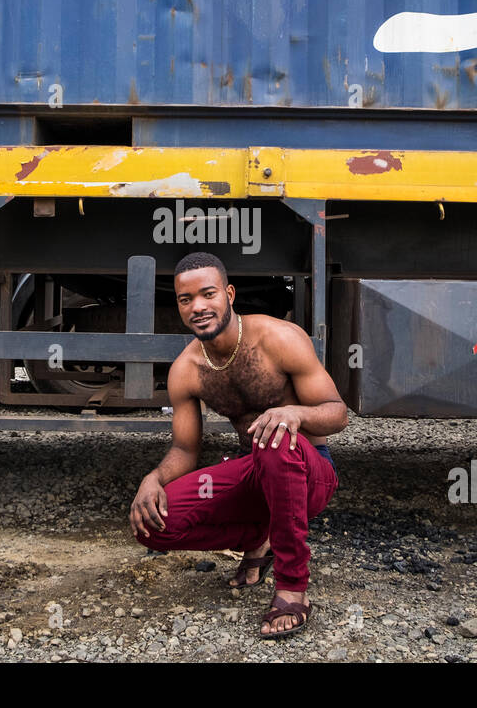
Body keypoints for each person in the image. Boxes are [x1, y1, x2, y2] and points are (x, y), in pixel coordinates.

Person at [128, 251, 348, 638]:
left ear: (229, 294)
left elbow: (337, 413)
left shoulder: (278, 338)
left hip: (311, 472)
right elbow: (185, 451)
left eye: (207, 294)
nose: (198, 306)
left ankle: (293, 587)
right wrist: (153, 479)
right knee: (152, 525)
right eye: (185, 299)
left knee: (274, 438)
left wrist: (295, 414)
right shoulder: (186, 370)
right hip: (257, 470)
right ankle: (256, 537)